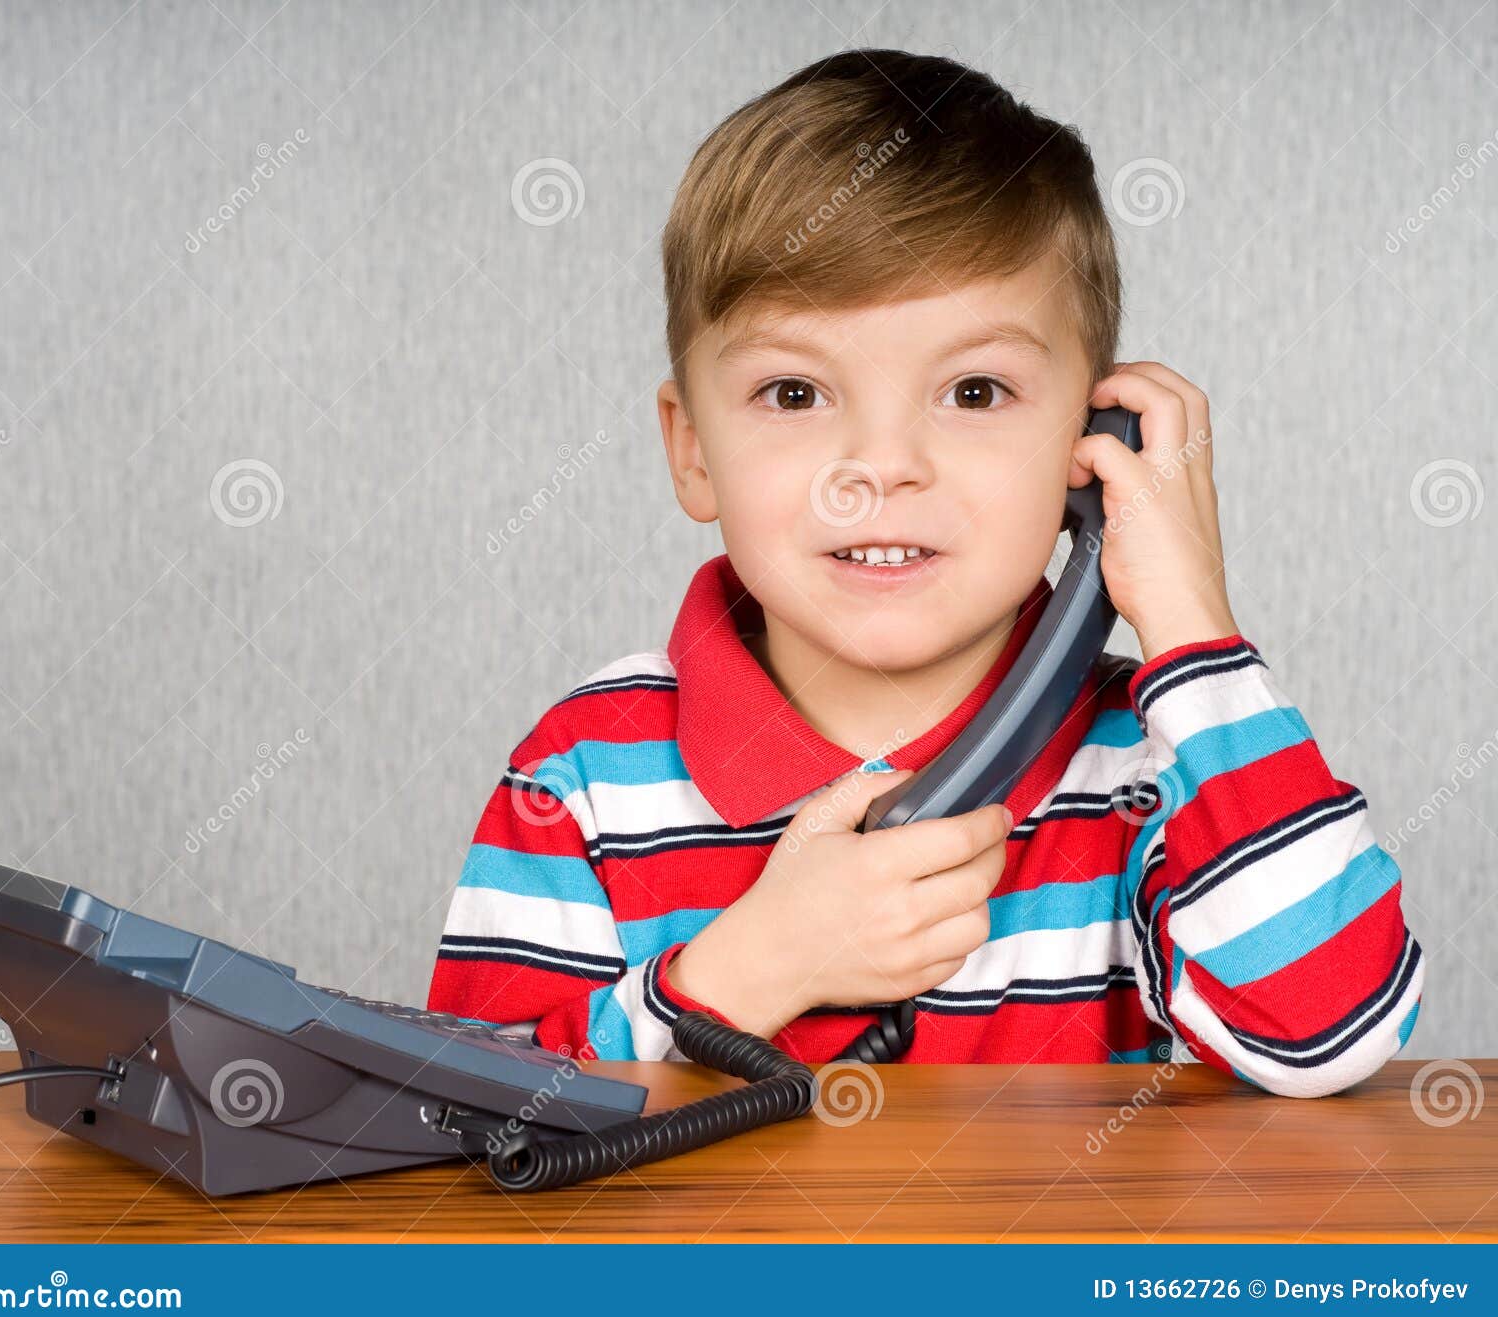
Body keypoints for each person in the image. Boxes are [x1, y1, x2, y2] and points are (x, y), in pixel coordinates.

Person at [426, 49, 1421, 1096]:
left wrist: (1189, 621)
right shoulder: (581, 774)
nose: (886, 465)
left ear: (1092, 443)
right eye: (797, 394)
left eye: (977, 390)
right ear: (692, 449)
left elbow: (1329, 1029)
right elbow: (465, 1124)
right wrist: (752, 968)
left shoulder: (1157, 765)